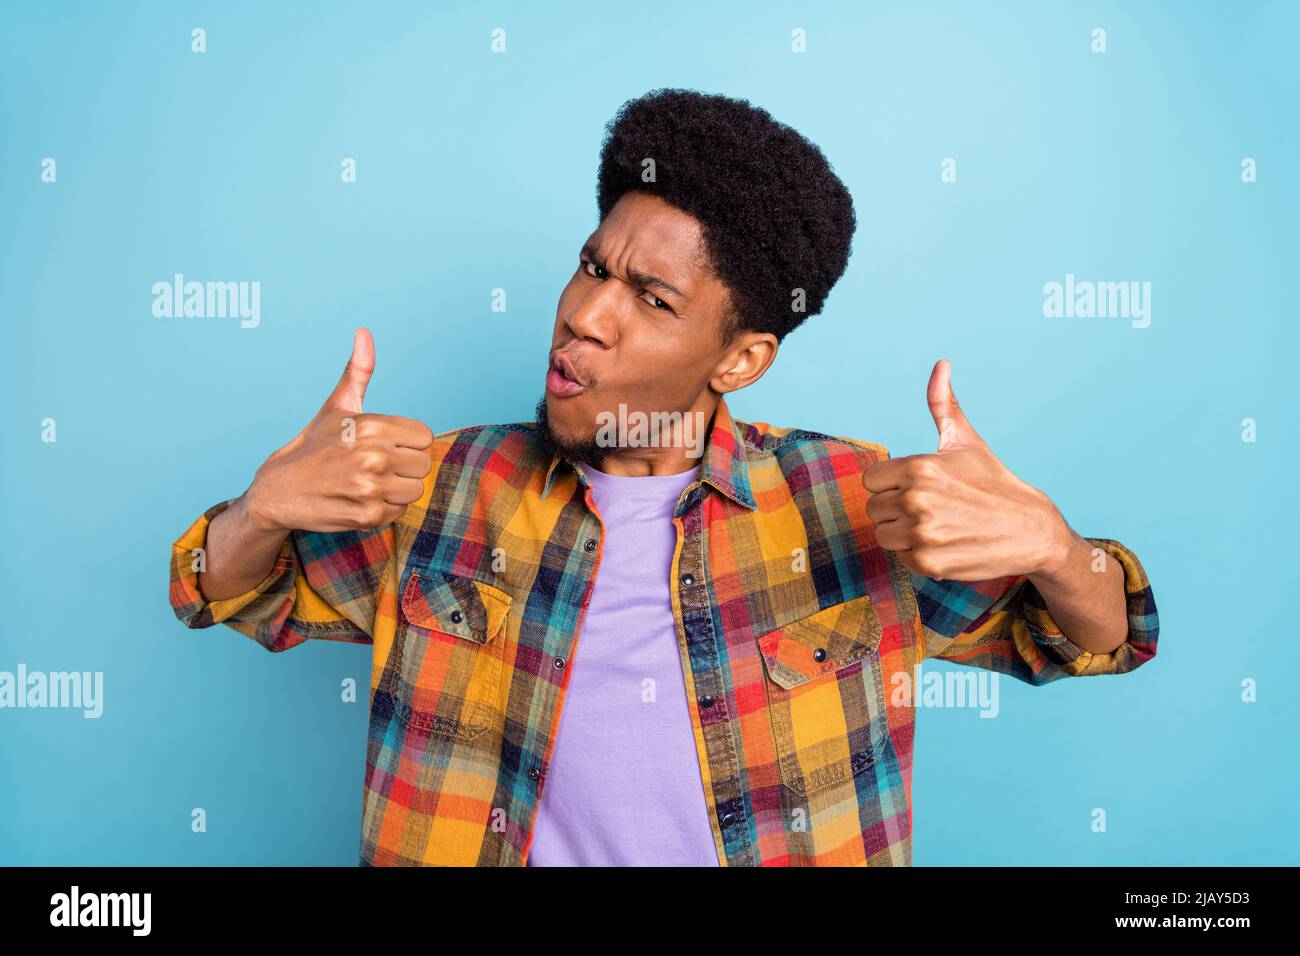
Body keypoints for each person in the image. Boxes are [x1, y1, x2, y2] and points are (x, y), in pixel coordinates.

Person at [168, 88, 1158, 866]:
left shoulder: (853, 504)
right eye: (591, 267)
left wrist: (1054, 548)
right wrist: (260, 508)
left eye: (650, 297)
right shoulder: (440, 486)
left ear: (740, 359)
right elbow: (225, 593)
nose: (586, 316)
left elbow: (1094, 640)